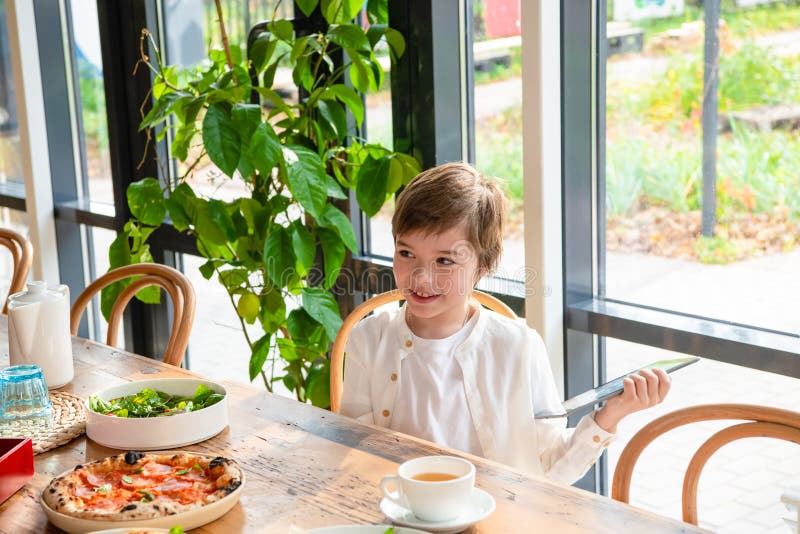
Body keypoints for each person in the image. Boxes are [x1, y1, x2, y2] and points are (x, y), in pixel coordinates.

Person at [340, 162, 671, 485]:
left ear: (482, 266)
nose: (421, 277)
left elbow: (550, 469)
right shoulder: (368, 341)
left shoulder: (519, 346)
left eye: (444, 260)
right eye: (406, 253)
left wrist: (609, 416)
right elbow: (355, 458)